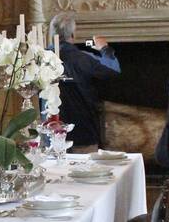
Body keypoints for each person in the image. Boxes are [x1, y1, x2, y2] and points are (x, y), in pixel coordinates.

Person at [49, 12, 120, 152]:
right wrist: (105, 49)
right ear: (73, 34)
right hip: (82, 133)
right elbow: (114, 70)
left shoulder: (41, 57)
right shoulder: (84, 58)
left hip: (51, 133)